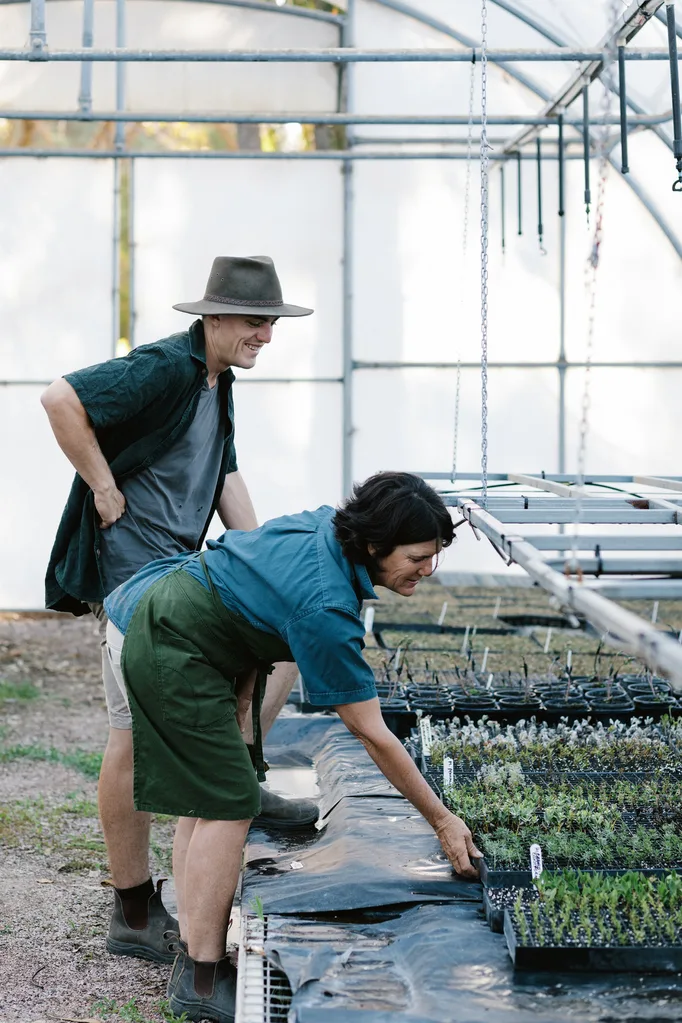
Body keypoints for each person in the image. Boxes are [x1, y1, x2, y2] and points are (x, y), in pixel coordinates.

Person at [102, 471, 482, 1023]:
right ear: (375, 545)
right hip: (167, 637)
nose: (429, 570)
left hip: (154, 606)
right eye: (419, 557)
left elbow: (246, 586)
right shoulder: (327, 606)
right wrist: (443, 821)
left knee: (209, 801)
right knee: (229, 804)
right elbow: (372, 733)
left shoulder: (326, 528)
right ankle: (202, 978)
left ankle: (196, 949)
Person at [40, 255, 319, 966]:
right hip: (136, 579)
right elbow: (59, 399)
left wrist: (261, 560)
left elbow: (222, 472)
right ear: (215, 316)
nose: (266, 334)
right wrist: (103, 487)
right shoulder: (165, 367)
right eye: (256, 321)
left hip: (177, 570)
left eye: (273, 322)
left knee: (279, 644)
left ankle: (231, 779)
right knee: (130, 734)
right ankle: (133, 906)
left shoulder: (216, 381)